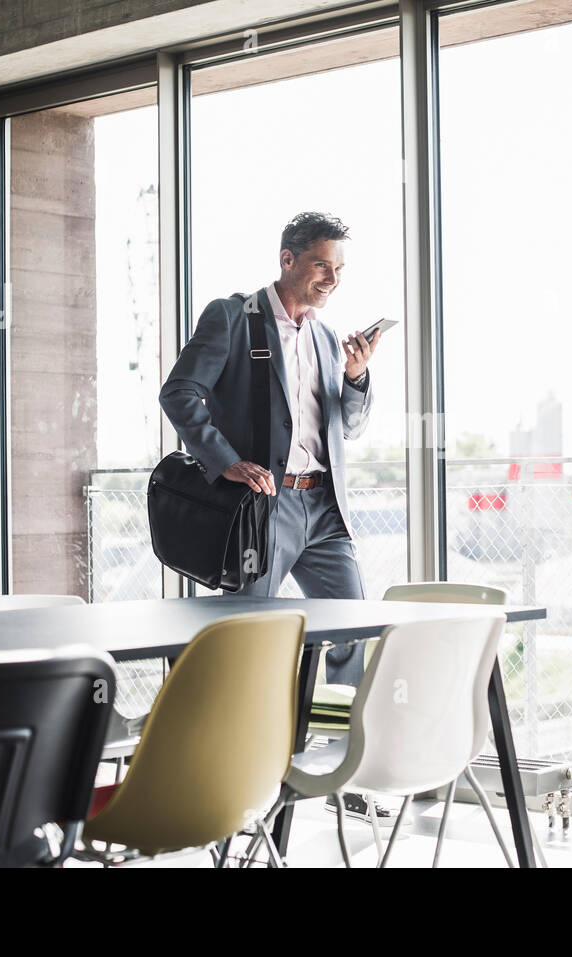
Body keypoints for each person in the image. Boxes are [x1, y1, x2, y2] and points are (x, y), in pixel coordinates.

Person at [159, 211, 391, 823]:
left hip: (324, 506)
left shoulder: (325, 336)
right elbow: (179, 393)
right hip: (264, 505)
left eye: (338, 269)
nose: (331, 279)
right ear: (287, 259)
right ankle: (225, 771)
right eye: (321, 265)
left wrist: (357, 377)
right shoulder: (233, 317)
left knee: (352, 632)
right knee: (246, 640)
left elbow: (349, 426)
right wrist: (226, 461)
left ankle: (339, 765)